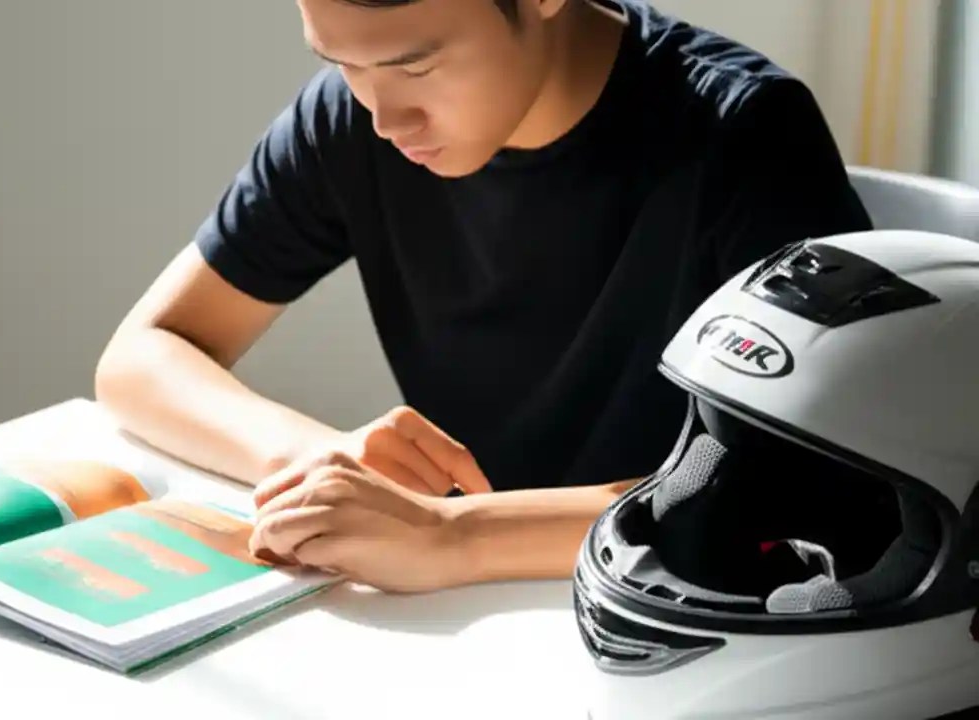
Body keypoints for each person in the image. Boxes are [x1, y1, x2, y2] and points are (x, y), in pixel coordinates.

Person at [94, 0, 872, 592]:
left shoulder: (741, 133)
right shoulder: (349, 123)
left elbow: (806, 483)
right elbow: (141, 357)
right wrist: (312, 458)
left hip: (692, 616)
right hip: (478, 609)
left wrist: (457, 537)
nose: (384, 116)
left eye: (415, 65)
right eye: (343, 65)